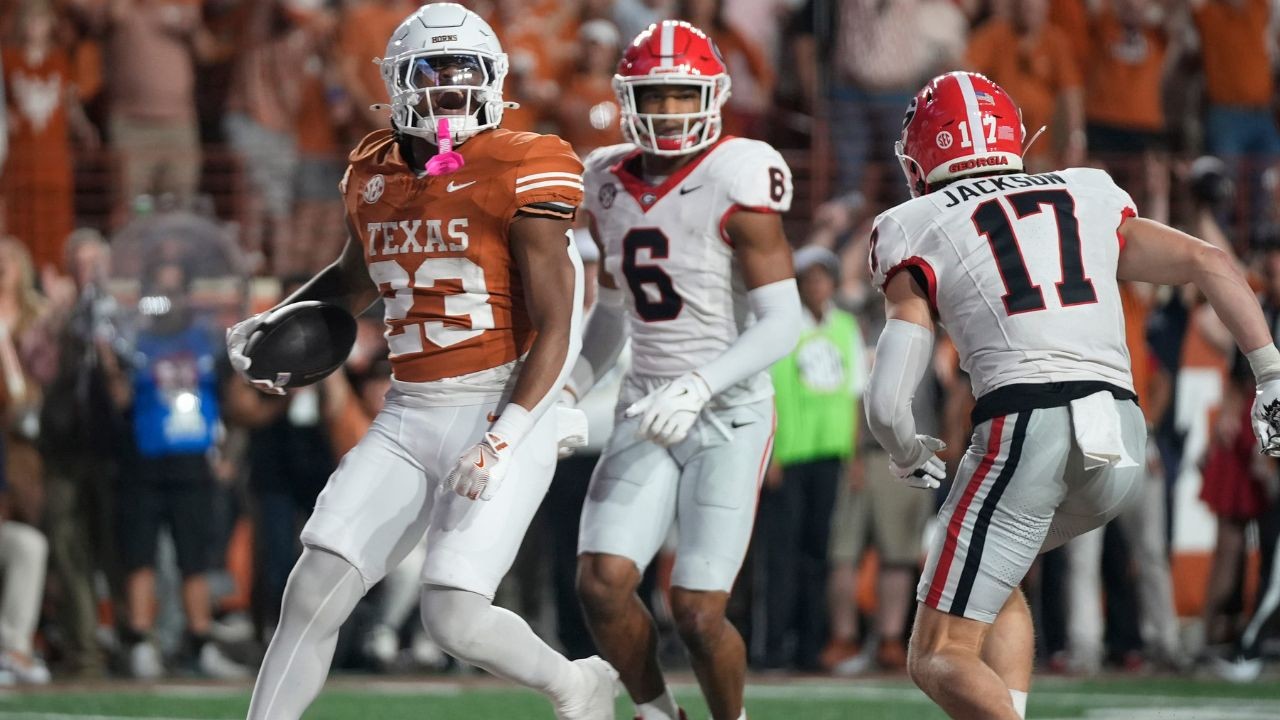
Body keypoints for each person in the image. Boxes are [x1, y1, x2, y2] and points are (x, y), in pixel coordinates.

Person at [225, 5, 616, 719]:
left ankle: (576, 683)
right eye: (431, 76)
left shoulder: (524, 164)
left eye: (464, 76)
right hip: (409, 411)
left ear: (492, 81)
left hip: (501, 402)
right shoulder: (373, 171)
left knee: (454, 619)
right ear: (400, 84)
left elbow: (560, 324)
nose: (449, 93)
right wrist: (278, 315)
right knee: (313, 587)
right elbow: (356, 278)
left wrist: (505, 437)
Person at [863, 71, 1280, 720]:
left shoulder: (914, 221)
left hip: (1026, 425)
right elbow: (1212, 263)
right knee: (992, 584)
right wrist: (1272, 376)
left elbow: (890, 396)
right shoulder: (1083, 189)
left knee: (936, 652)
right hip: (1122, 436)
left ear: (923, 154)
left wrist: (901, 442)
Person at [568, 21, 801, 720]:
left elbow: (783, 322)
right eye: (655, 96)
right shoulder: (604, 177)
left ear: (714, 95)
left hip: (728, 411)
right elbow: (611, 313)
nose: (668, 111)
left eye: (681, 95)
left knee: (697, 613)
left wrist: (700, 383)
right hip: (645, 404)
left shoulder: (739, 170)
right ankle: (657, 713)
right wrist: (570, 390)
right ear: (628, 98)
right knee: (601, 583)